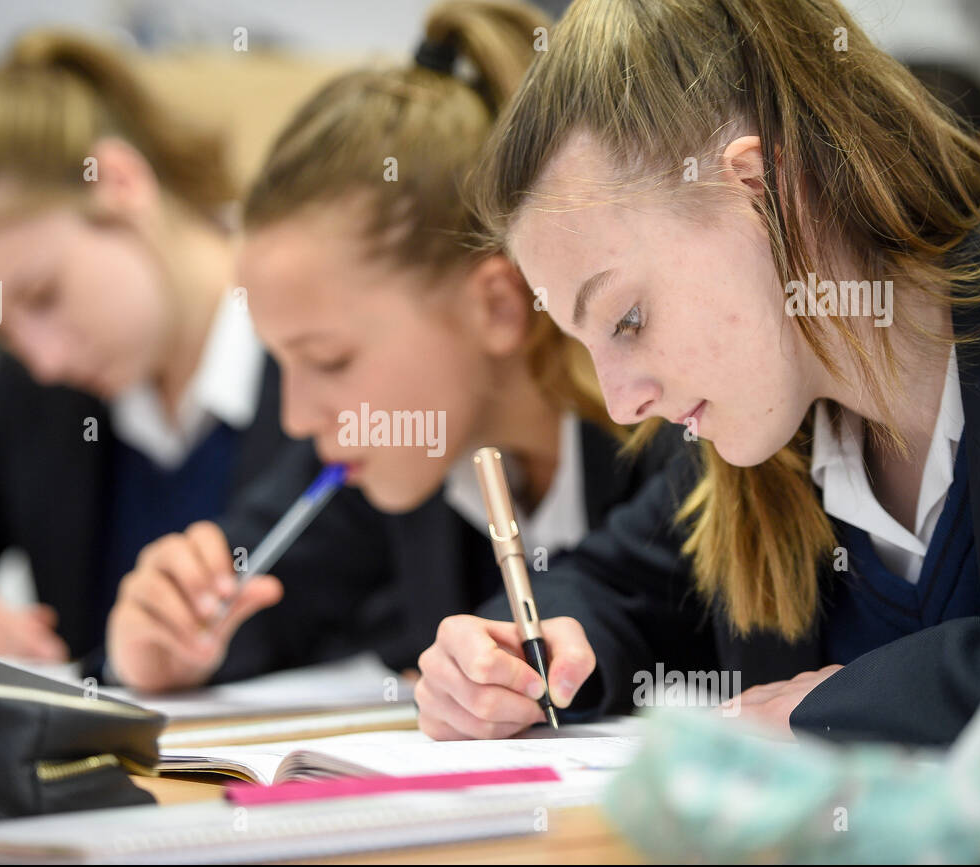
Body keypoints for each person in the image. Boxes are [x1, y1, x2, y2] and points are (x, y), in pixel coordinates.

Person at [414, 0, 980, 745]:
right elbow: (615, 588)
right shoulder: (775, 425)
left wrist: (856, 699)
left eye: (628, 320)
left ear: (766, 191)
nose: (621, 403)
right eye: (587, 343)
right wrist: (513, 653)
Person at [103, 0, 680, 693]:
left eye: (329, 360)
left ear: (495, 306)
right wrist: (159, 635)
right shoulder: (390, 460)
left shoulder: (679, 425)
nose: (296, 417)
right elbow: (259, 601)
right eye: (280, 363)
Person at [0, 32, 294, 674]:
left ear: (118, 183)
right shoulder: (41, 395)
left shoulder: (320, 351)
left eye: (42, 296)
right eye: (1, 332)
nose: (42, 359)